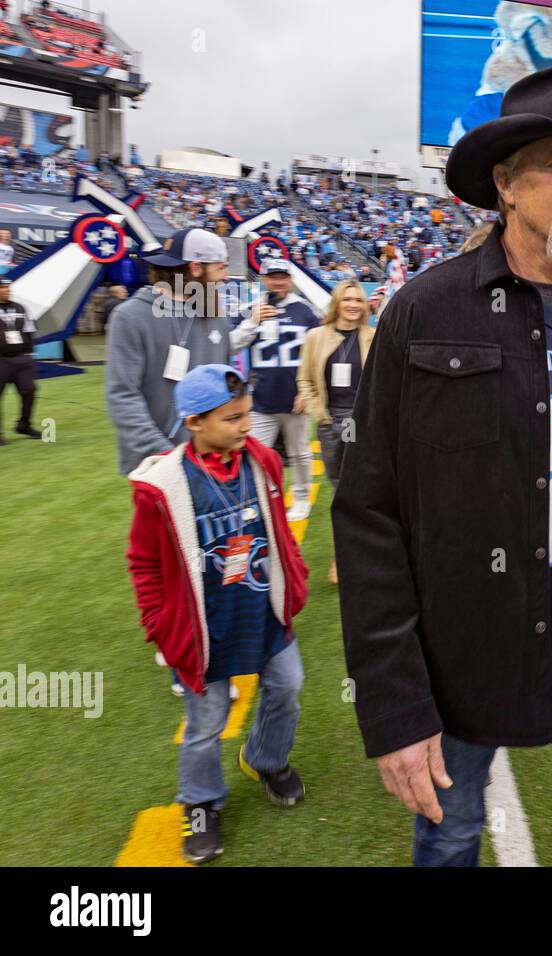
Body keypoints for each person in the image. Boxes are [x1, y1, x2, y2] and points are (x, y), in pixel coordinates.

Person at [334, 65, 552, 868]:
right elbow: (369, 514)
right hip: (464, 668)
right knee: (451, 843)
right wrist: (394, 706)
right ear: (506, 184)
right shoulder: (427, 310)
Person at [126, 364, 308, 864]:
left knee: (288, 687)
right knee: (205, 724)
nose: (246, 427)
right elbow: (143, 562)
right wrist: (159, 626)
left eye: (247, 415)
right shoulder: (161, 485)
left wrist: (294, 575)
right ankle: (202, 802)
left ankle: (266, 758)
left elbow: (278, 532)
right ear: (193, 423)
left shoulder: (262, 461)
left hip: (263, 614)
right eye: (232, 419)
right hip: (204, 630)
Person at [105, 228, 234, 474]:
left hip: (214, 459)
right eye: (221, 268)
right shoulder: (130, 316)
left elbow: (225, 388)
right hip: (159, 466)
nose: (226, 277)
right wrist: (167, 458)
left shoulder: (216, 315)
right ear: (195, 268)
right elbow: (122, 396)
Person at [229, 258, 318, 522]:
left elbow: (316, 353)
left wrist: (308, 390)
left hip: (295, 398)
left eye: (282, 276)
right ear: (264, 279)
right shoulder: (248, 310)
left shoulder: (305, 310)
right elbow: (230, 345)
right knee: (253, 454)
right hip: (259, 399)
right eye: (272, 276)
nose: (278, 282)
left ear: (290, 280)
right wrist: (252, 322)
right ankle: (254, 499)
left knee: (300, 452)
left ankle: (301, 498)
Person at [298, 280, 374, 583]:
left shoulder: (373, 336)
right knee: (341, 492)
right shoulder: (316, 337)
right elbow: (304, 381)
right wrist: (320, 414)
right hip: (331, 424)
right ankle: (345, 555)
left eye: (358, 299)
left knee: (363, 492)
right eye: (348, 299)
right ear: (337, 303)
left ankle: (350, 555)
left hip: (362, 424)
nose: (354, 304)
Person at [0, 276, 40, 442]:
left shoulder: (20, 308)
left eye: (8, 287)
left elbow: (29, 331)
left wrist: (29, 354)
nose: (7, 290)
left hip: (21, 359)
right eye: (3, 288)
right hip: (1, 359)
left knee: (30, 390)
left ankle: (24, 425)